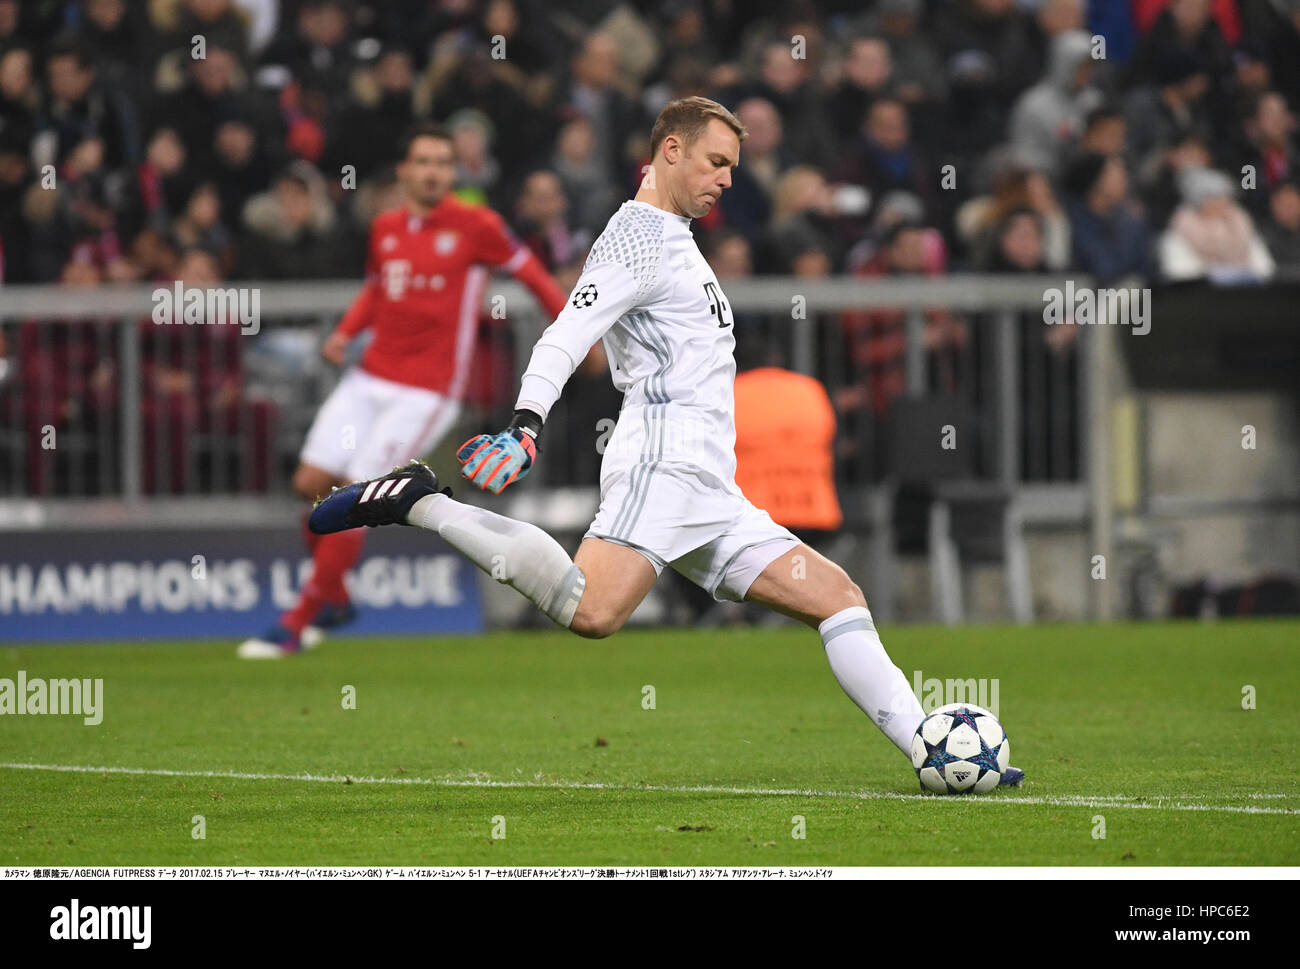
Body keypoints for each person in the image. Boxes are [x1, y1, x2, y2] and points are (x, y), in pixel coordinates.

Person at [307, 96, 1024, 788]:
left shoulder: (675, 239)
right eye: (716, 162)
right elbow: (566, 332)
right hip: (662, 455)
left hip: (711, 481)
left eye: (734, 167)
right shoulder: (637, 235)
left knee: (837, 597)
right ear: (670, 150)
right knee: (592, 611)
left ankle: (928, 748)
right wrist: (527, 423)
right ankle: (420, 502)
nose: (727, 180)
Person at [237, 122, 569, 658]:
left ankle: (296, 623)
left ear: (452, 173)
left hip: (428, 390)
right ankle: (337, 599)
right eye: (424, 161)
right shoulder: (386, 227)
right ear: (405, 171)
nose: (434, 170)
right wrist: (346, 332)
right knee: (309, 482)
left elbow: (532, 273)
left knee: (356, 488)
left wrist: (574, 334)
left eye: (443, 162)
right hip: (369, 378)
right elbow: (376, 287)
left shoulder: (476, 225)